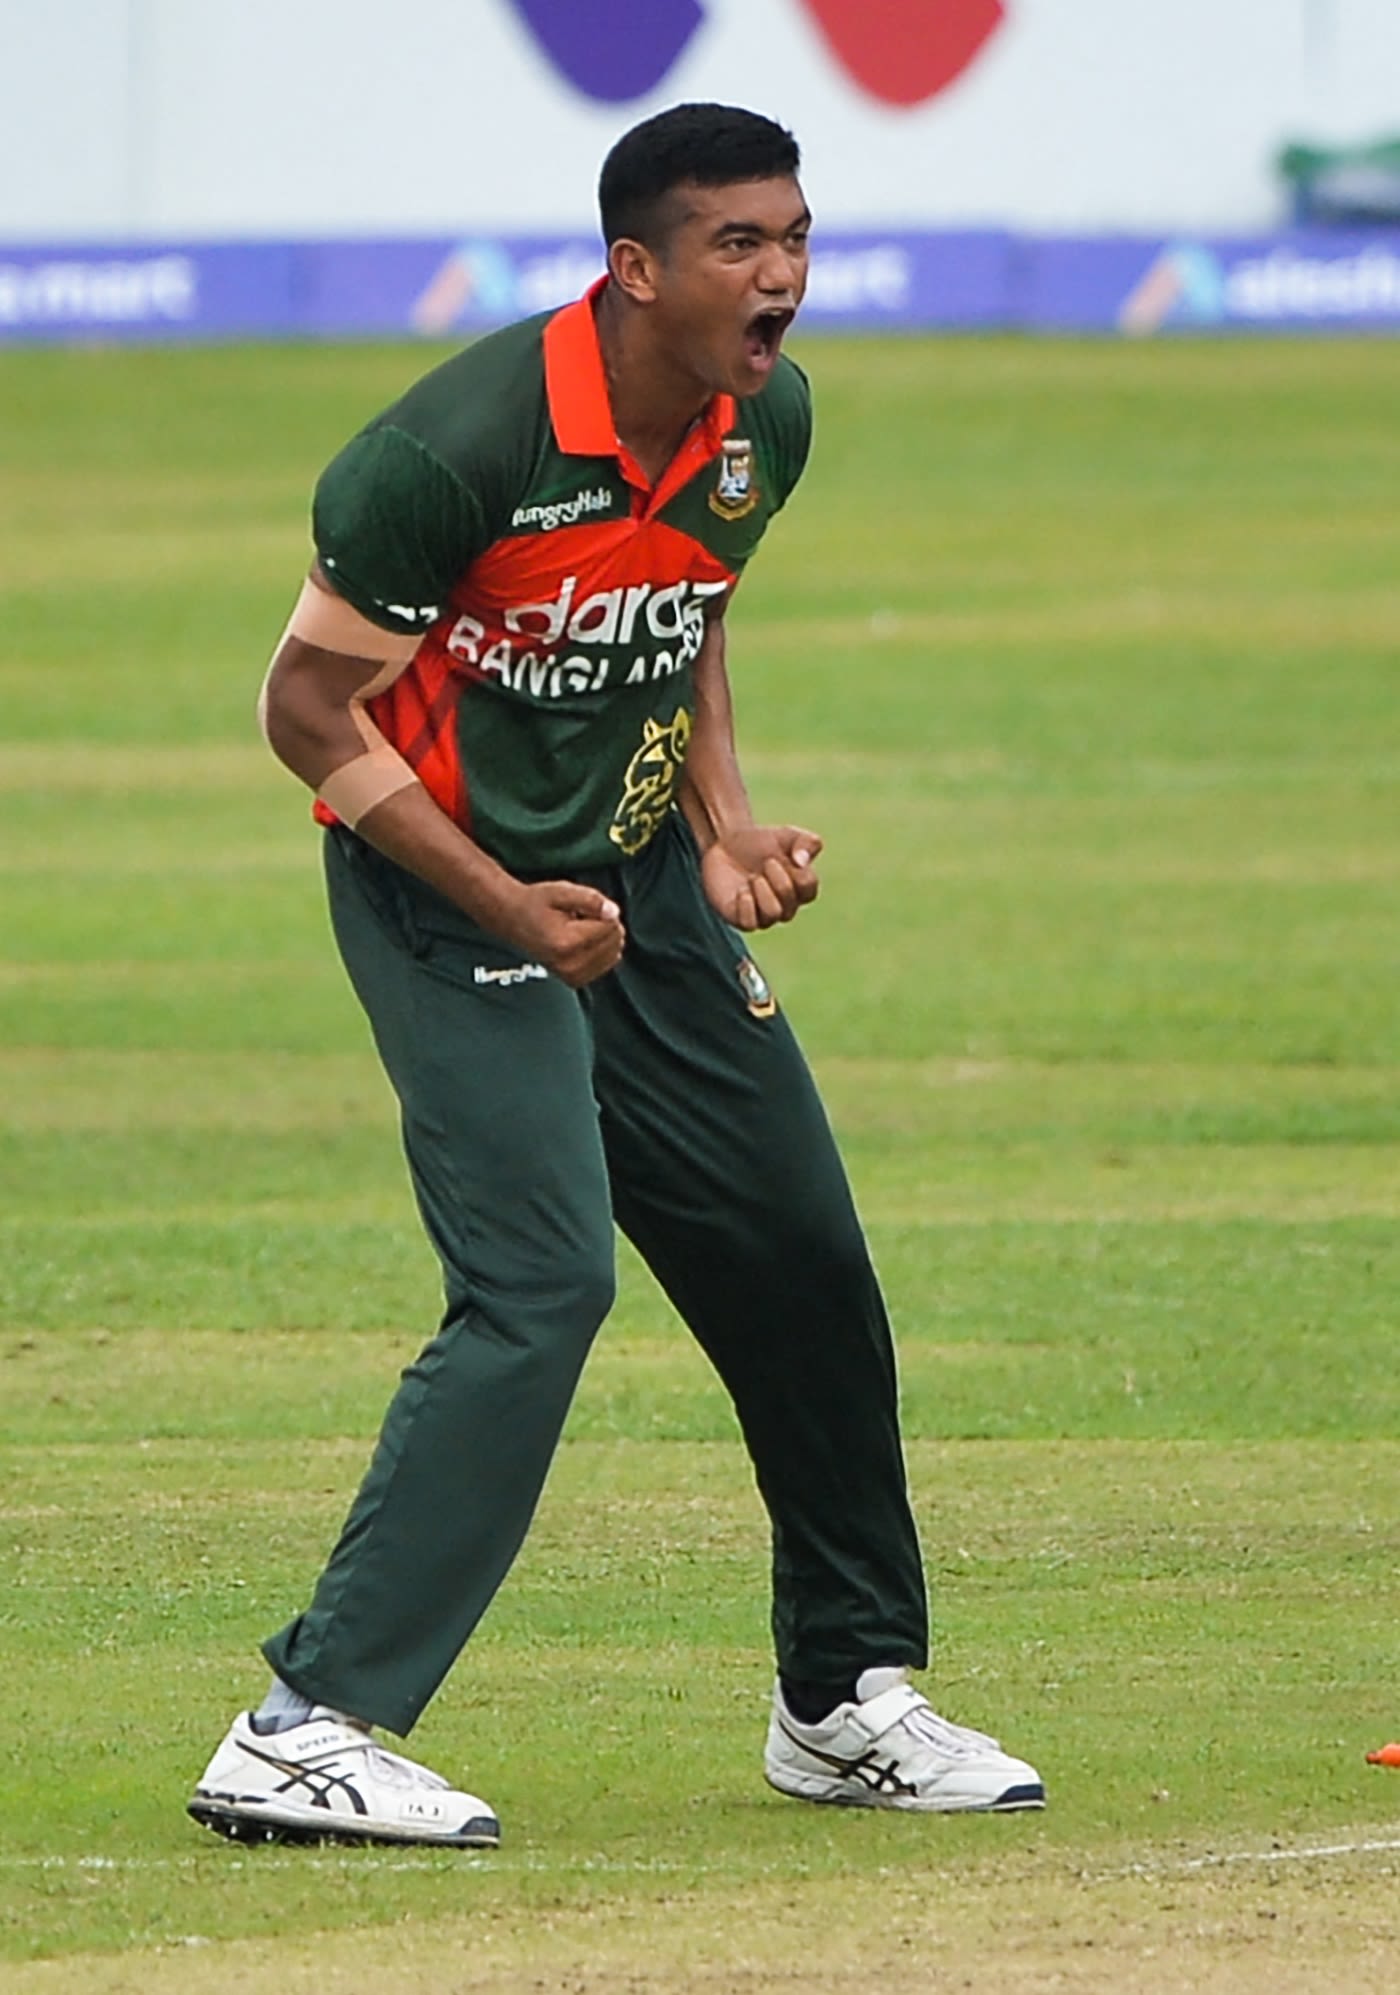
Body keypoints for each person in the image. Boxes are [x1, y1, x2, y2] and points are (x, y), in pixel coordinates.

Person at [189, 102, 1044, 1848]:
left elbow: (691, 598)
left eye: (796, 237)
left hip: (643, 893)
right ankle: (307, 1722)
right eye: (741, 244)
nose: (783, 277)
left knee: (800, 1259)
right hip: (452, 899)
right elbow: (302, 710)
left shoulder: (759, 421)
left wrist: (721, 825)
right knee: (539, 1290)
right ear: (634, 267)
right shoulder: (453, 448)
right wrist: (505, 901)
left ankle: (842, 1701)